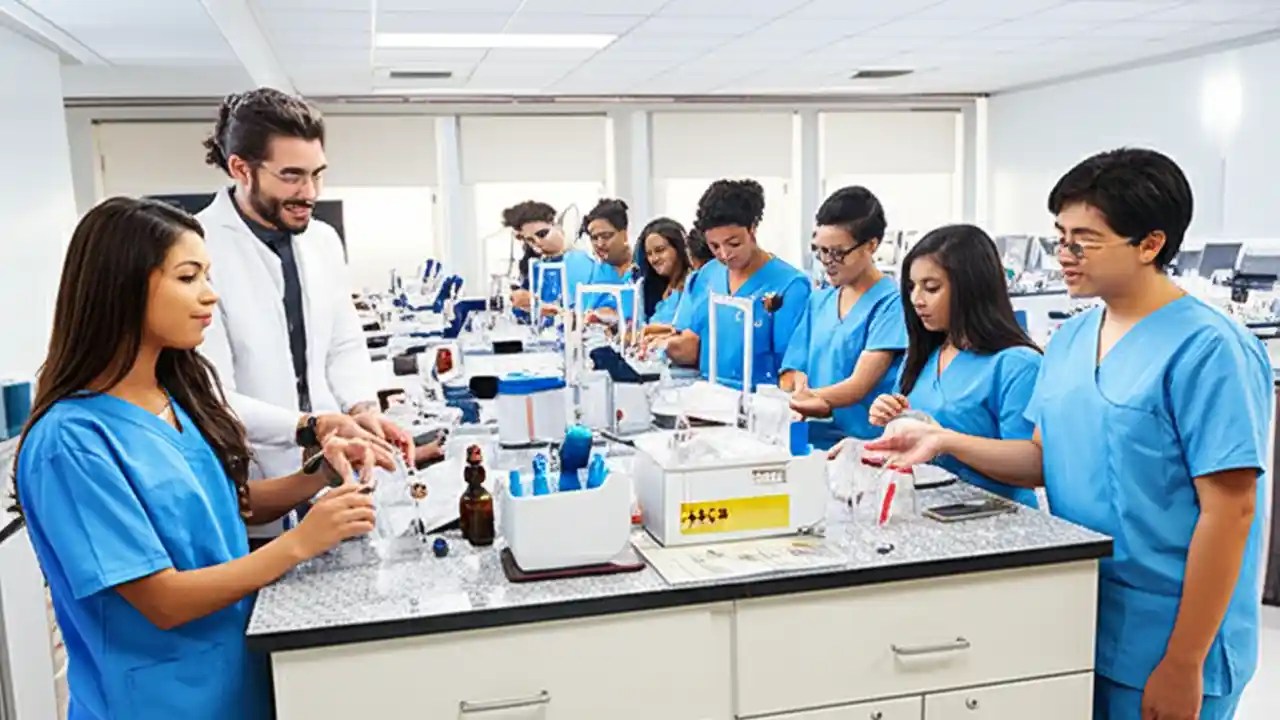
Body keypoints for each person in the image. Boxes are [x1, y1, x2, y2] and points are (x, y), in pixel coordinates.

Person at [866, 148, 1268, 720]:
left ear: (1150, 244)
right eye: (1059, 237)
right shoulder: (1074, 339)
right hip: (1080, 610)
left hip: (1171, 633)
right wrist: (943, 440)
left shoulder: (1210, 349)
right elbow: (1042, 458)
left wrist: (1185, 662)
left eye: (1083, 241)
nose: (1064, 256)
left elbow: (1230, 512)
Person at [14, 197, 393, 719]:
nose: (210, 296)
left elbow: (226, 508)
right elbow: (162, 600)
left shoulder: (174, 397)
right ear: (123, 286)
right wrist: (301, 543)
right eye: (188, 277)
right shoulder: (71, 443)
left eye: (208, 276)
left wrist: (321, 473)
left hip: (234, 681)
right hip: (157, 702)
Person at [196, 88, 425, 545]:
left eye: (317, 175)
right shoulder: (198, 246)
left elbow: (342, 343)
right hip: (256, 479)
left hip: (331, 466)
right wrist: (313, 427)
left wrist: (362, 408)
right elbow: (210, 390)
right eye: (292, 176)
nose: (311, 193)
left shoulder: (321, 240)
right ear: (241, 168)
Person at [865, 224, 1041, 506]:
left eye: (931, 288)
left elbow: (1033, 465)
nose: (916, 300)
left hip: (997, 519)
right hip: (928, 509)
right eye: (912, 287)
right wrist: (891, 416)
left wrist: (945, 440)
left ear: (971, 287)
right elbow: (916, 436)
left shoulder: (1016, 365)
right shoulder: (925, 355)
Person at [780, 187, 906, 450]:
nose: (827, 261)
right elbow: (792, 370)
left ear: (872, 245)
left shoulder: (891, 304)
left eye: (837, 252)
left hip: (862, 447)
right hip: (811, 442)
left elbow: (858, 386)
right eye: (821, 251)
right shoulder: (820, 300)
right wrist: (797, 384)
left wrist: (809, 397)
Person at [667, 179, 810, 389]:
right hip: (708, 401)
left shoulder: (789, 286)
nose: (724, 254)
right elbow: (690, 339)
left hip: (760, 405)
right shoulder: (706, 276)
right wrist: (661, 347)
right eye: (714, 246)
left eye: (734, 243)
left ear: (752, 229)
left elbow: (791, 370)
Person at [503, 200, 596, 319]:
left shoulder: (579, 261)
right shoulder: (538, 266)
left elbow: (582, 318)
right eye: (530, 240)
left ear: (559, 226)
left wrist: (537, 306)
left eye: (542, 234)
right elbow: (521, 314)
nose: (537, 243)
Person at [580, 198, 640, 325]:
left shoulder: (642, 269)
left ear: (624, 234)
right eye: (594, 238)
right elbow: (585, 313)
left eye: (606, 236)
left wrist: (615, 317)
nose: (600, 244)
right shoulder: (596, 270)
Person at [636, 217, 693, 335]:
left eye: (660, 250)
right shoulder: (652, 287)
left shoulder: (693, 284)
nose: (654, 259)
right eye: (649, 254)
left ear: (678, 247)